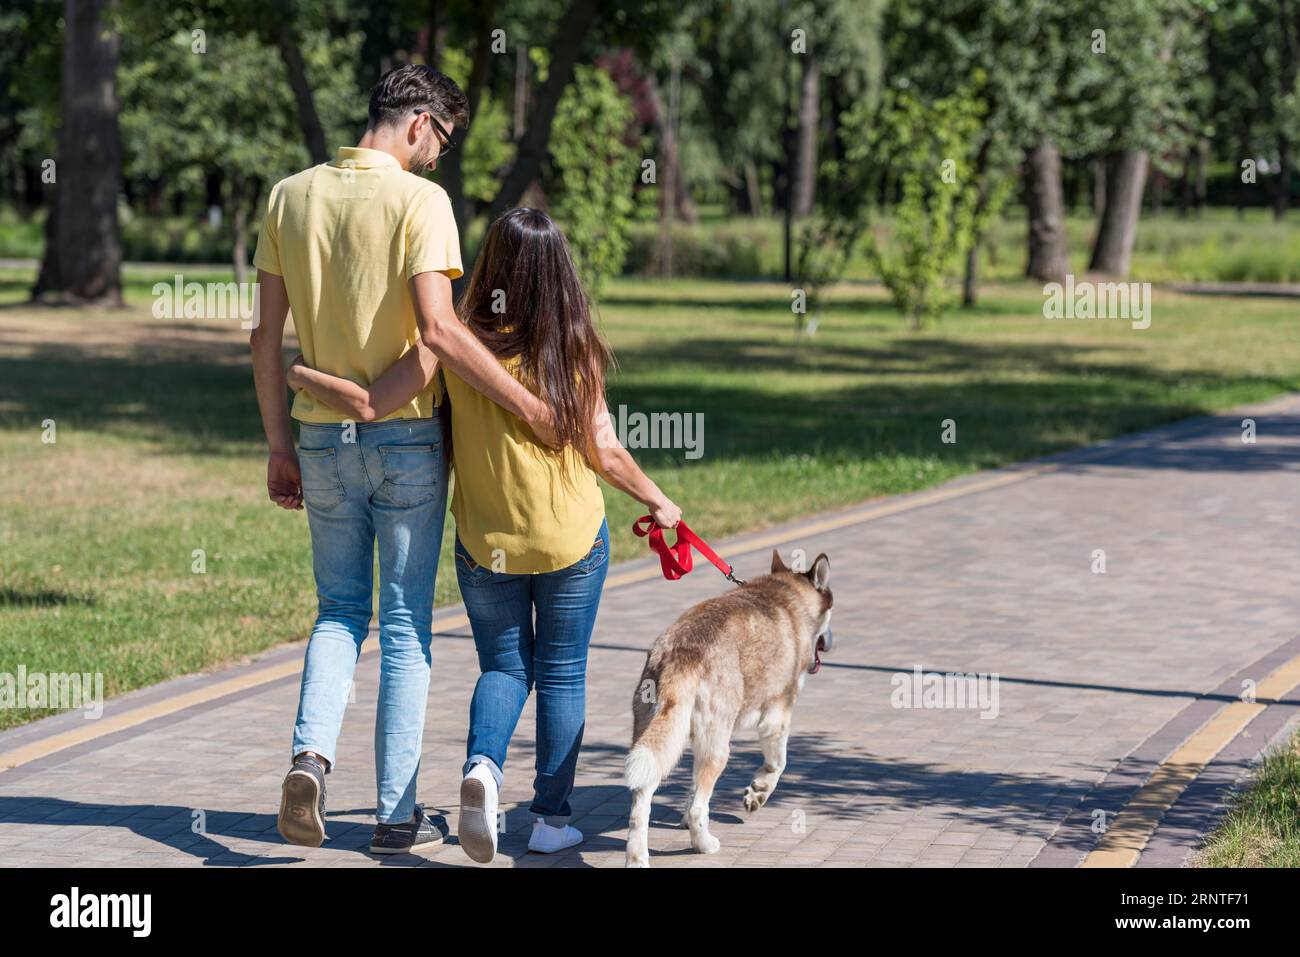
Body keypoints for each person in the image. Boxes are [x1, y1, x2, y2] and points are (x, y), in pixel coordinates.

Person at [287, 207, 681, 862]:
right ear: (560, 276)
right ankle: (552, 819)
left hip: (485, 542)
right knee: (561, 673)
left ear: (491, 264)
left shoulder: (452, 343)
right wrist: (659, 500)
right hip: (571, 542)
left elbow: (372, 402)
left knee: (504, 665)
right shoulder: (572, 346)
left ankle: (483, 772)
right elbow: (604, 449)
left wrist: (300, 373)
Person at [249, 64, 559, 856]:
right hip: (409, 438)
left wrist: (279, 445)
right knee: (403, 625)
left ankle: (310, 759)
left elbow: (263, 337)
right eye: (442, 140)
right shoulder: (423, 203)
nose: (437, 159)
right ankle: (393, 817)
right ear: (418, 122)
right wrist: (527, 405)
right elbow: (440, 332)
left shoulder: (289, 195)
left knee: (337, 609)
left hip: (318, 437)